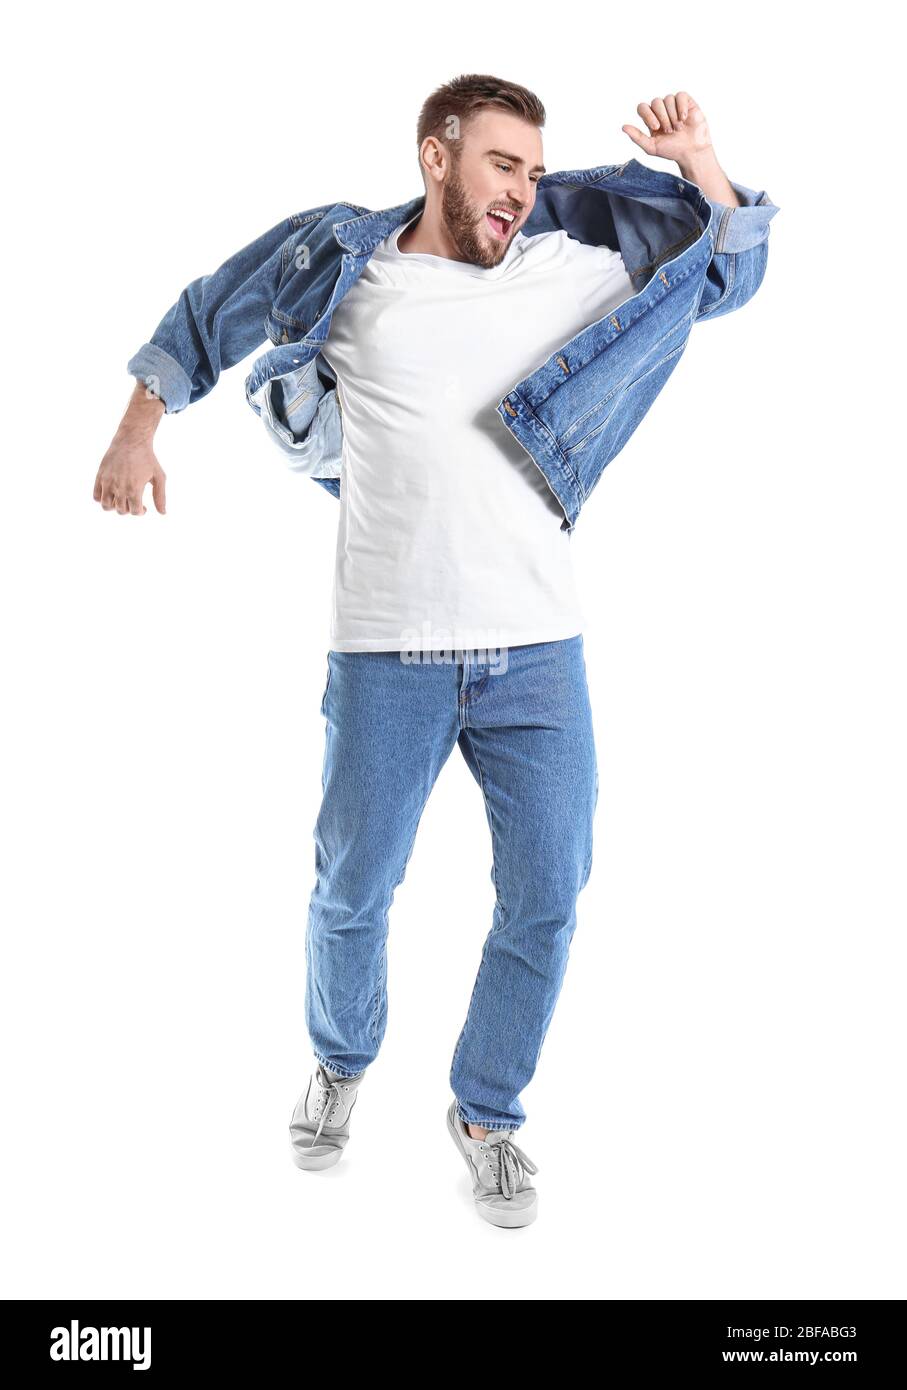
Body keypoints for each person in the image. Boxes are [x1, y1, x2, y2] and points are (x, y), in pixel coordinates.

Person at [95, 76, 777, 1229]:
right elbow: (210, 317)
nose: (522, 187)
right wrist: (135, 427)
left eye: (533, 167)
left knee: (548, 893)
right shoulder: (344, 268)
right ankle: (341, 1058)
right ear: (436, 156)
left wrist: (702, 158)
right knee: (353, 887)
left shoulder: (571, 268)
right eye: (502, 163)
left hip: (537, 653)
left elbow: (727, 270)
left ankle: (487, 1111)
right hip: (384, 648)